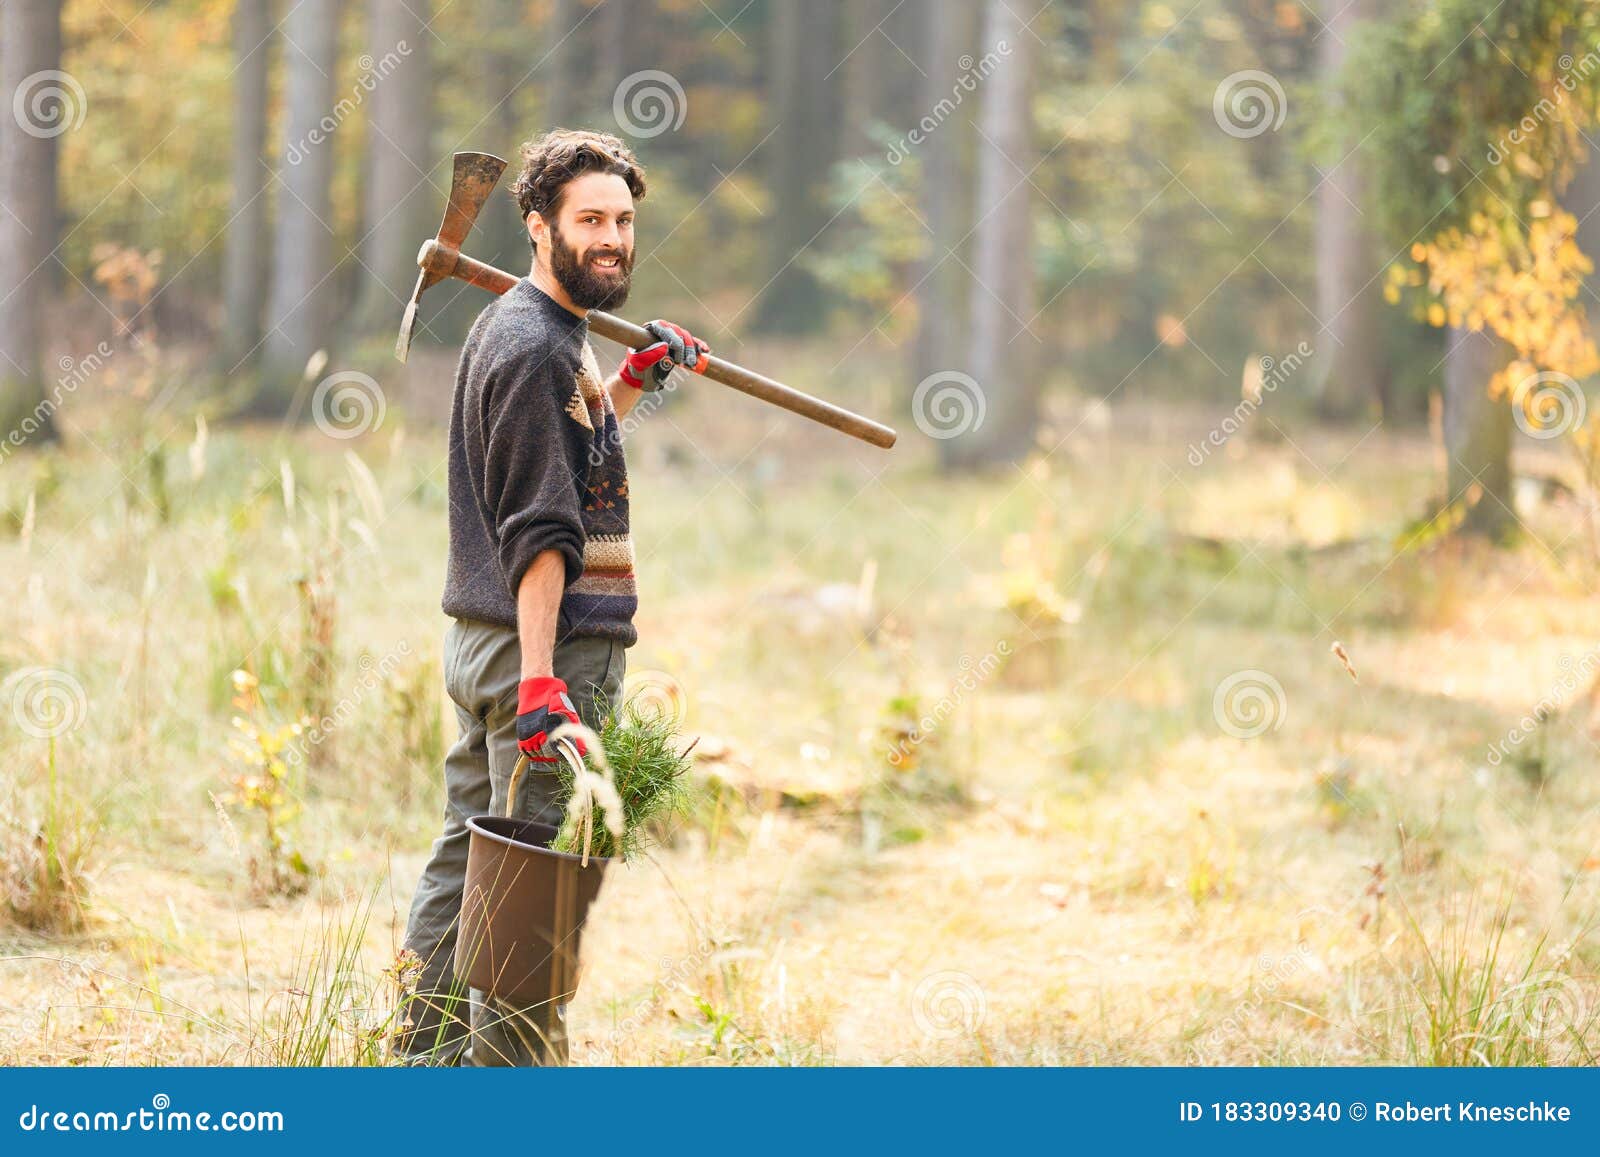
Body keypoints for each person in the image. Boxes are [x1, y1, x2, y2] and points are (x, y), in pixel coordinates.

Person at [397, 128, 709, 1066]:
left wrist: (630, 382)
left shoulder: (528, 331)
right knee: (535, 889)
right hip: (543, 654)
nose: (612, 238)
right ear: (538, 227)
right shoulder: (536, 344)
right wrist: (544, 685)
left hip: (480, 643)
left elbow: (559, 444)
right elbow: (543, 530)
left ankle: (423, 1058)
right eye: (590, 220)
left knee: (467, 857)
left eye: (622, 220)